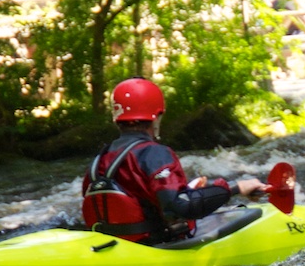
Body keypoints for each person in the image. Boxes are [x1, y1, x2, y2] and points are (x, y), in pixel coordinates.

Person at [81, 78, 267, 244]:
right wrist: (236, 188)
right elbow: (179, 208)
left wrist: (196, 189)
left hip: (113, 246)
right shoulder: (155, 154)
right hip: (153, 247)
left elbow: (139, 196)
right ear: (156, 117)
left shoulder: (99, 161)